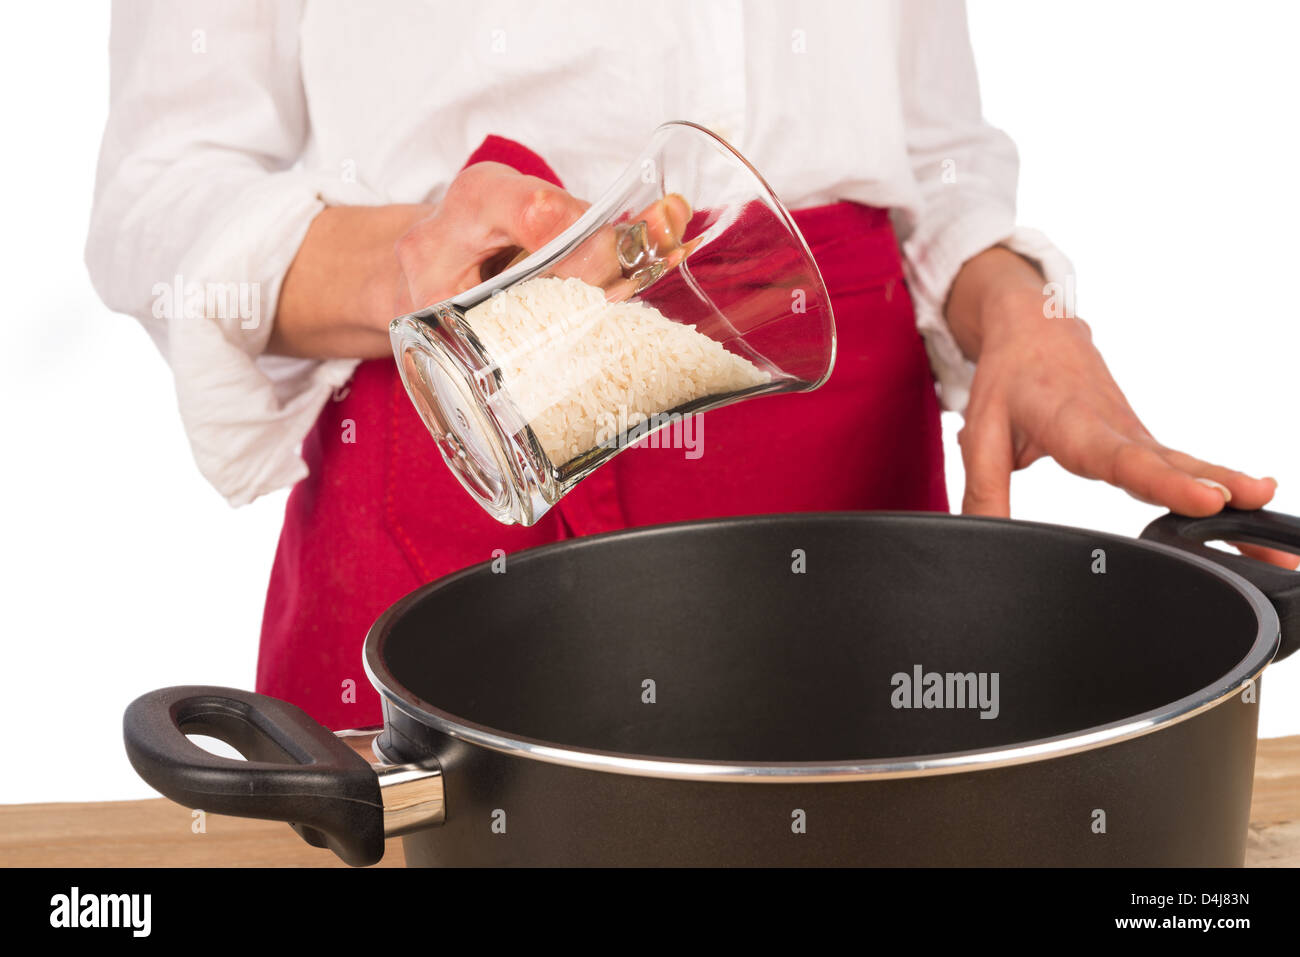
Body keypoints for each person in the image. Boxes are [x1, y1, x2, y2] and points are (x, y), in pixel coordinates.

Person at [86, 1, 1292, 730]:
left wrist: (1016, 308)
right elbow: (158, 195)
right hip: (488, 443)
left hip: (855, 493)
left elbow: (931, 151)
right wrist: (403, 264)